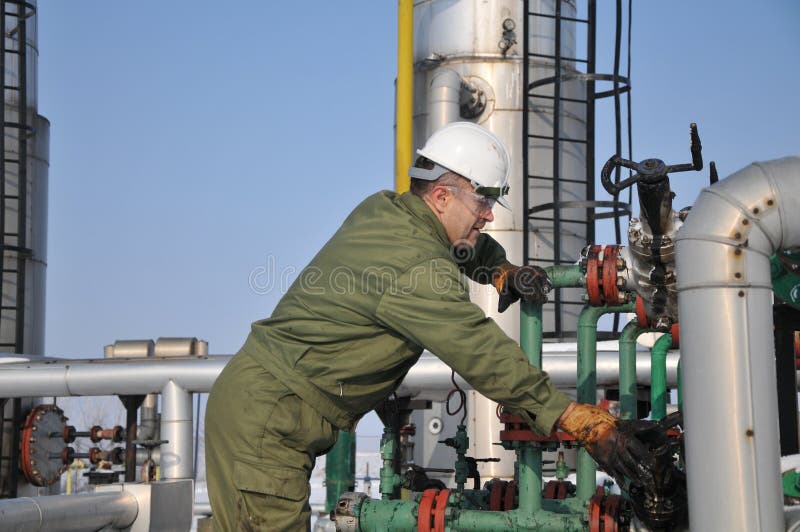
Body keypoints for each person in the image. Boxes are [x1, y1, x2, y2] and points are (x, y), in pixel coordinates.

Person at [205, 122, 657, 531]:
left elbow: (458, 244)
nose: (489, 215)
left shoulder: (387, 210)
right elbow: (480, 351)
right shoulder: (416, 268)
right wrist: (568, 415)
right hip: (270, 423)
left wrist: (498, 268)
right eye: (483, 200)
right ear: (442, 196)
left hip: (259, 407)